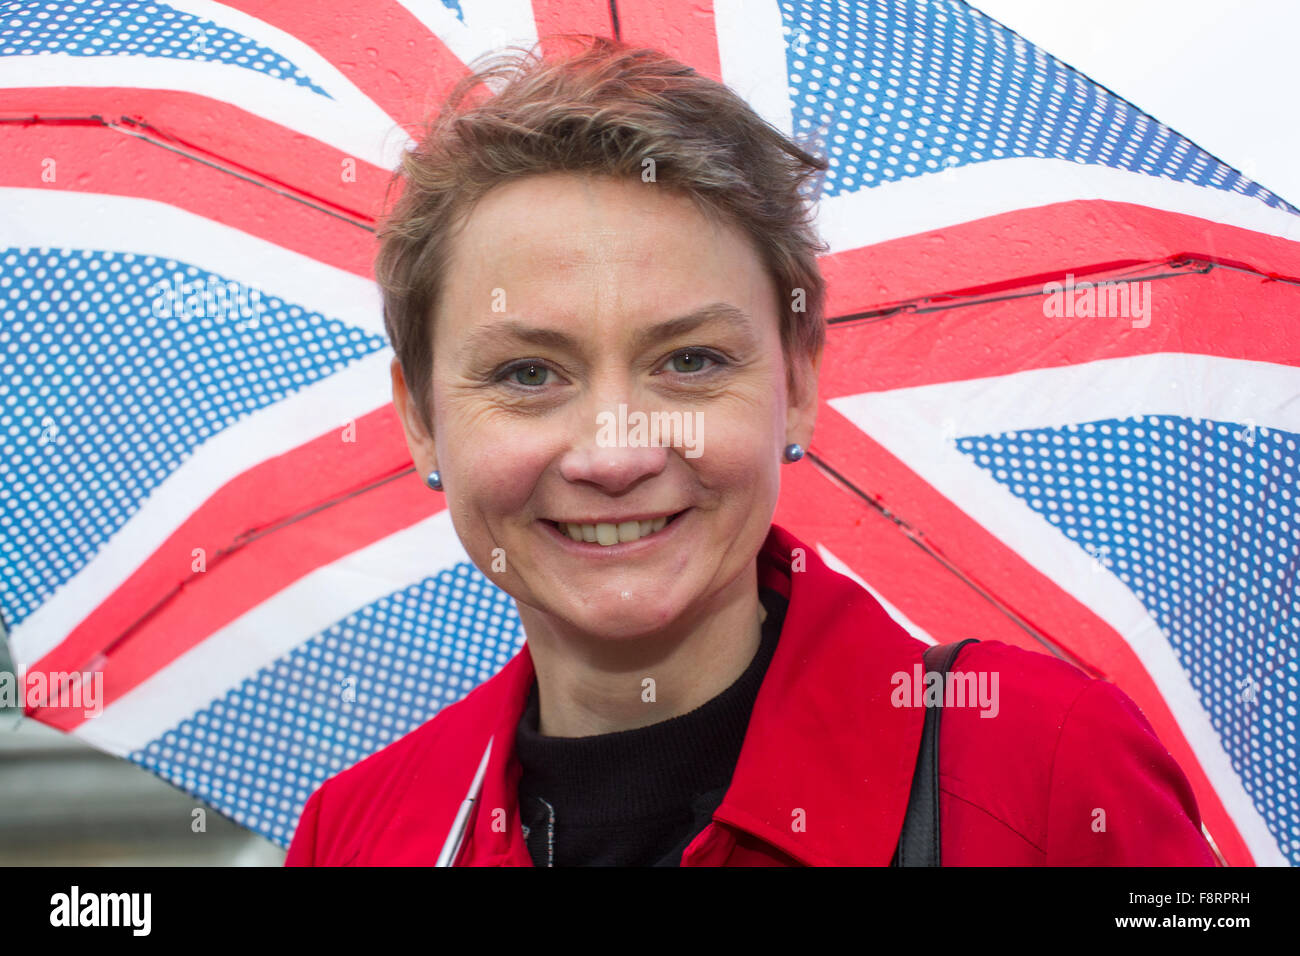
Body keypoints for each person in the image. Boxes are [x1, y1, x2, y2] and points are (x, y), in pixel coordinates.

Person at [284, 35, 1217, 867]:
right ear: (418, 418)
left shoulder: (1041, 765)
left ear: (798, 387)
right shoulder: (353, 834)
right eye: (528, 373)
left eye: (690, 361)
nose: (615, 455)